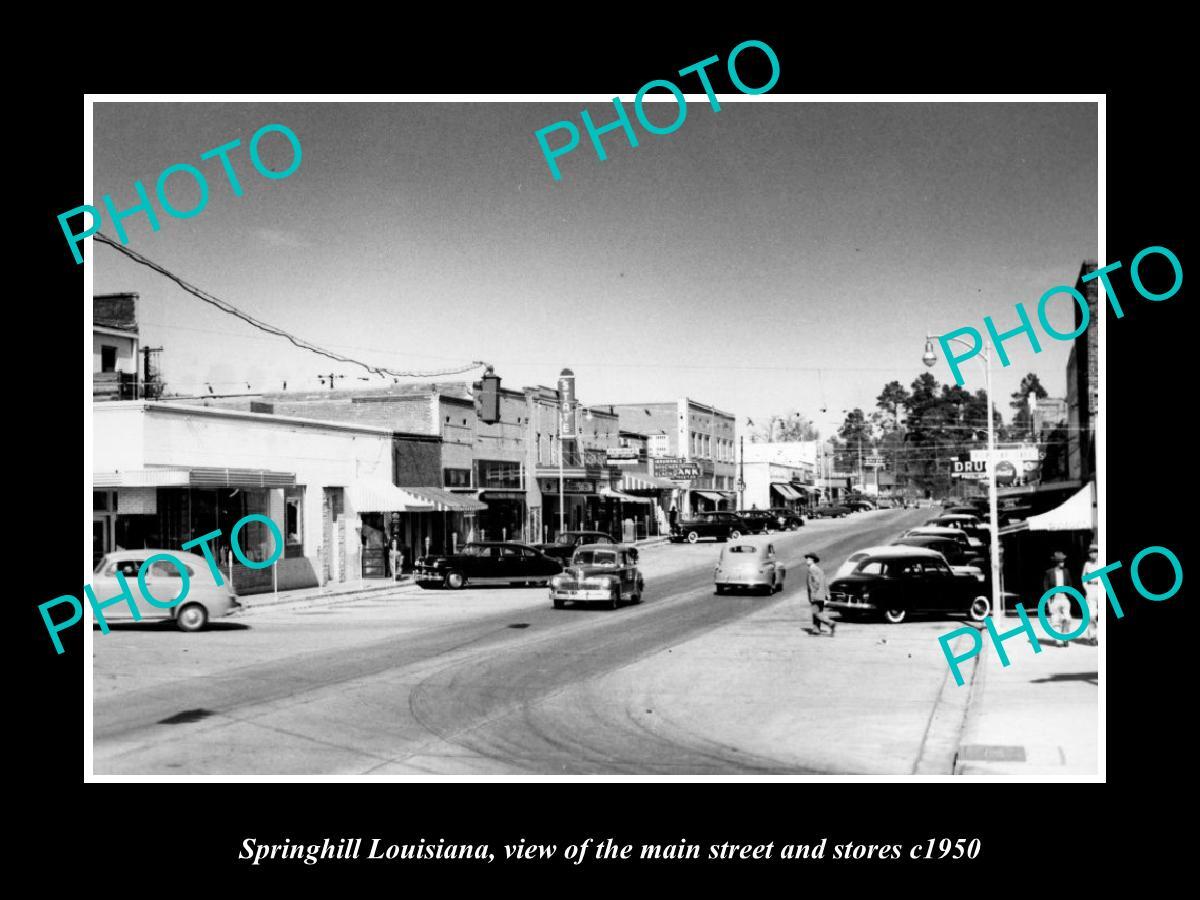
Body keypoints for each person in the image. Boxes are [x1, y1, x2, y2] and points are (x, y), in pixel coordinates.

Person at [1042, 550, 1076, 648]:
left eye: (1063, 561)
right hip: (1054, 599)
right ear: (1056, 562)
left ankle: (1065, 637)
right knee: (1055, 619)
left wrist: (1070, 595)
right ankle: (1059, 640)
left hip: (1064, 597)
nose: (1062, 563)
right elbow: (1046, 588)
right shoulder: (1049, 573)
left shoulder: (1066, 571)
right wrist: (1048, 602)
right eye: (1061, 561)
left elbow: (1069, 584)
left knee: (1067, 618)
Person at [805, 552, 837, 636]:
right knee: (818, 612)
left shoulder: (812, 569)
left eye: (809, 559)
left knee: (816, 613)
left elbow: (816, 582)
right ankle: (816, 630)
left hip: (816, 595)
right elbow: (825, 582)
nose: (807, 561)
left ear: (813, 560)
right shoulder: (819, 570)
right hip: (821, 595)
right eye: (807, 559)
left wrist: (814, 593)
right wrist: (828, 593)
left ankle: (830, 623)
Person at [1081, 542, 1103, 645]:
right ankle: (1093, 637)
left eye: (1095, 552)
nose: (1093, 554)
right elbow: (1083, 578)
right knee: (1091, 615)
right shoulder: (1087, 564)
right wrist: (1086, 588)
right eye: (1091, 553)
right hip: (1091, 589)